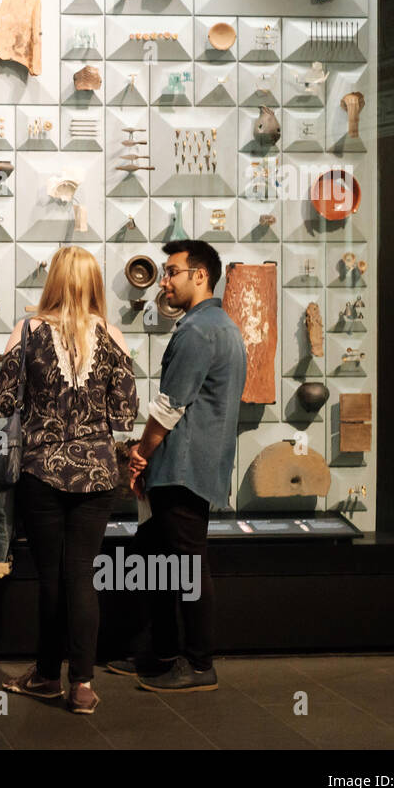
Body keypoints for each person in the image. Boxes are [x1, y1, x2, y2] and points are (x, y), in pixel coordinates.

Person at [0, 247, 138, 715]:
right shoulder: (114, 337)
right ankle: (82, 685)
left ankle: (44, 675)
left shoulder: (28, 330)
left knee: (51, 578)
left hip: (42, 470)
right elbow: (124, 415)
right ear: (95, 283)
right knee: (81, 575)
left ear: (53, 280)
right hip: (98, 473)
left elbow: (2, 402)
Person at [117, 240, 245, 693]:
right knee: (157, 557)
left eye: (172, 272)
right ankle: (162, 654)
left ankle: (198, 664)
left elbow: (170, 406)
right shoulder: (218, 326)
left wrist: (141, 453)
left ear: (200, 276)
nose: (164, 281)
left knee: (188, 565)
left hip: (184, 469)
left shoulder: (197, 331)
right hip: (186, 467)